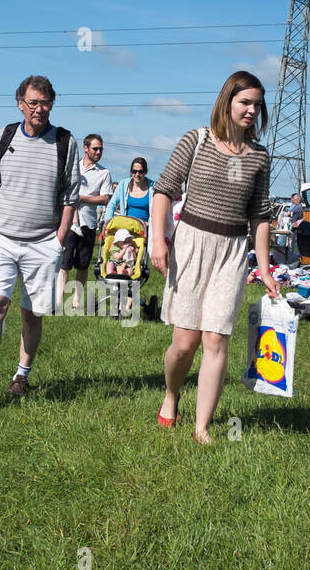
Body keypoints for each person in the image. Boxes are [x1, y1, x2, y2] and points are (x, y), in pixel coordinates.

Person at [150, 70, 280, 444]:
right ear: (227, 101)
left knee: (216, 339)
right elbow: (164, 191)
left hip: (232, 252)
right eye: (245, 102)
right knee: (185, 343)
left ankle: (202, 427)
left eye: (258, 104)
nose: (252, 110)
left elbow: (259, 217)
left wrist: (265, 269)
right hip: (191, 243)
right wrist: (158, 241)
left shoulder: (259, 156)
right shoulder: (196, 140)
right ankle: (172, 393)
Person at [0, 74, 79, 402]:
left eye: (45, 103)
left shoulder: (65, 143)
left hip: (42, 242)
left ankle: (21, 376)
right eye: (33, 103)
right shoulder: (5, 136)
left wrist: (59, 239)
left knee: (31, 313)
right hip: (0, 237)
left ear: (52, 105)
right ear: (20, 104)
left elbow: (71, 197)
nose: (39, 109)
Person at [58, 134, 111, 311]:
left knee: (82, 264)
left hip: (88, 223)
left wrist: (83, 198)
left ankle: (76, 301)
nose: (98, 152)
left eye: (101, 149)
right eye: (95, 148)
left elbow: (105, 199)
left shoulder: (104, 173)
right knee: (64, 262)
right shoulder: (72, 167)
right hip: (67, 219)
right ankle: (58, 300)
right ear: (85, 148)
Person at [103, 157, 153, 227]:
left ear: (145, 172)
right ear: (131, 171)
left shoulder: (153, 187)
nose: (137, 174)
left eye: (140, 172)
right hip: (126, 227)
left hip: (145, 228)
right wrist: (107, 224)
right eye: (134, 171)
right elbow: (112, 205)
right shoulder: (123, 184)